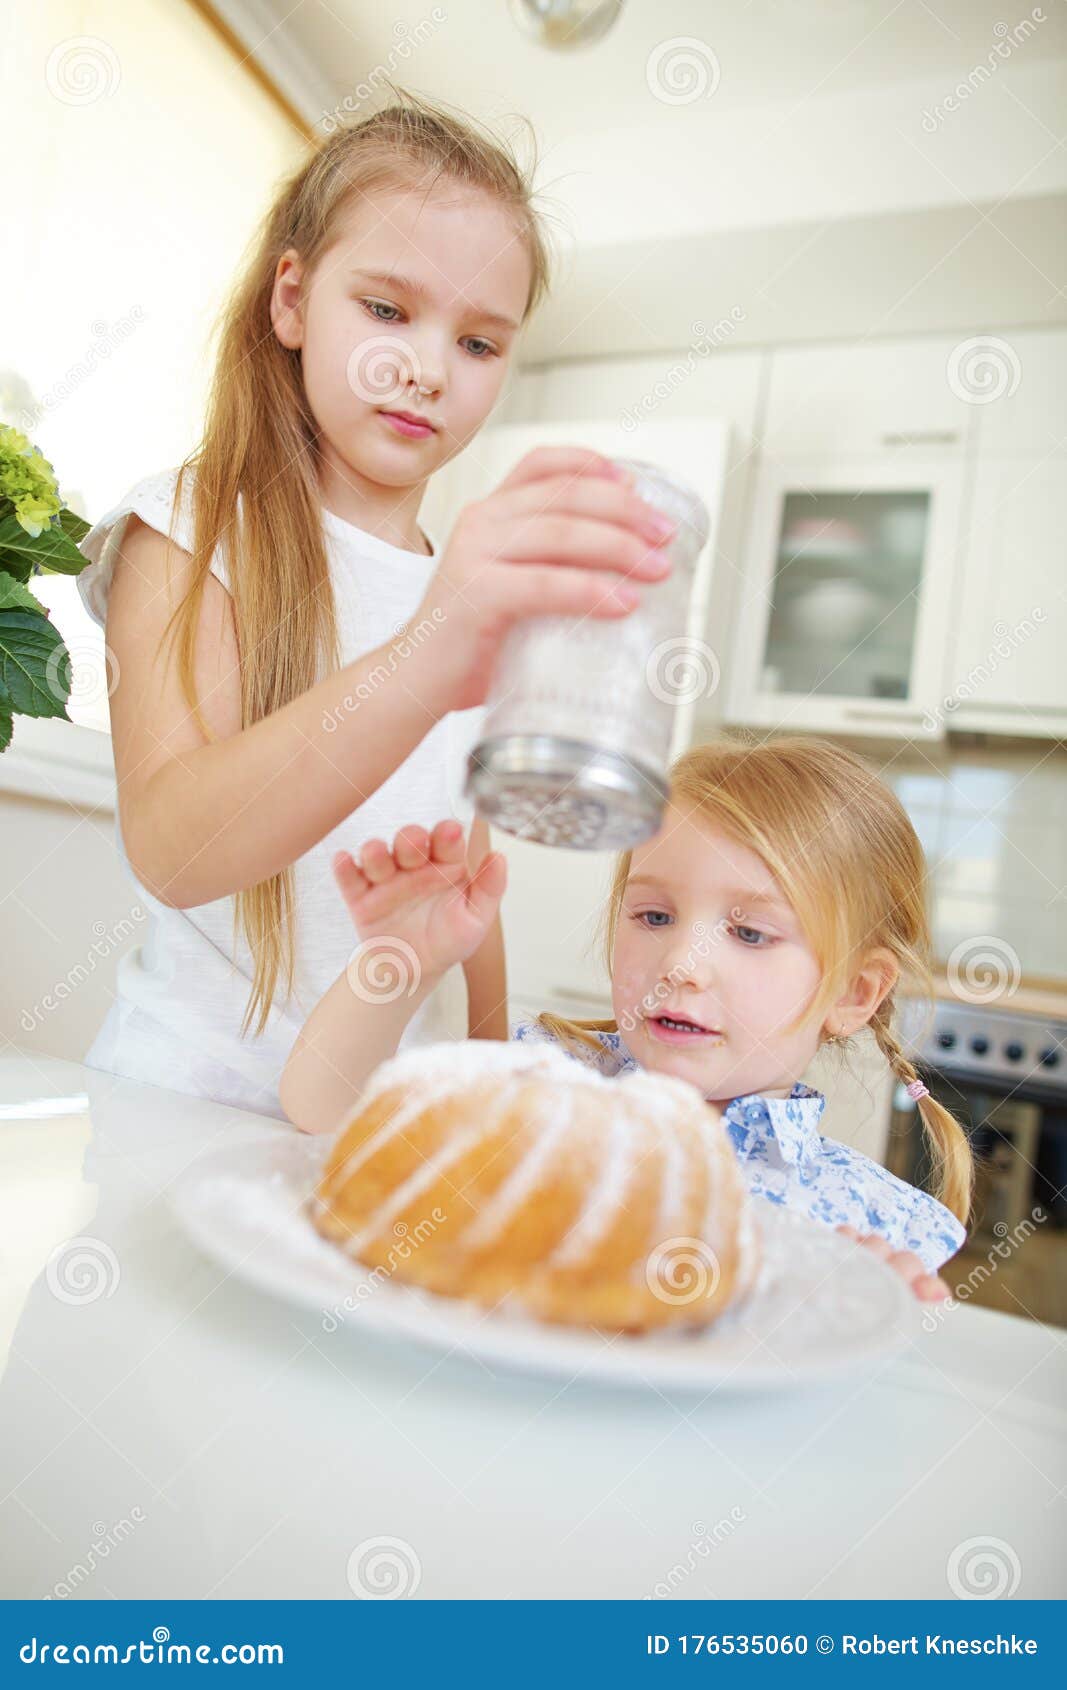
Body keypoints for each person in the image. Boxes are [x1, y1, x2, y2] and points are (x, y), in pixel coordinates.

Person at [73, 88, 673, 1117]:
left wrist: (496, 1087)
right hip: (182, 1113)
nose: (424, 369)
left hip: (382, 1136)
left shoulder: (477, 592)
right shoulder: (186, 530)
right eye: (387, 311)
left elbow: (465, 895)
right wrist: (428, 652)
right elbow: (178, 852)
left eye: (479, 344)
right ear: (293, 301)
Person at [282, 735, 975, 1302]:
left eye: (751, 934)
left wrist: (869, 1307)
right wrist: (404, 957)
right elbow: (325, 1108)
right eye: (653, 916)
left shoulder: (864, 1223)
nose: (681, 964)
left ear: (854, 992)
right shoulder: (547, 1082)